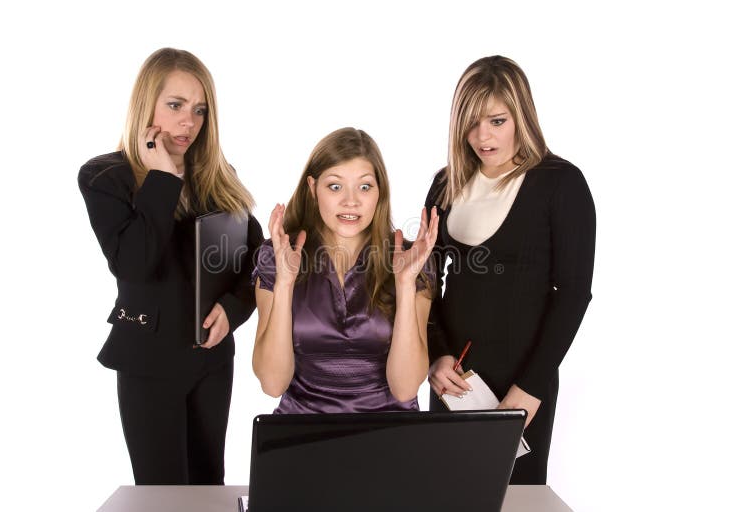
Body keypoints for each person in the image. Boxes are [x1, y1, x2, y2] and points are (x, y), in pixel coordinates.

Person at [78, 48, 263, 485]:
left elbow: (258, 257)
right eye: (176, 106)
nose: (188, 123)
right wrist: (162, 178)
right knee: (162, 494)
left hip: (211, 358)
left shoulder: (216, 174)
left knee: (208, 486)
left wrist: (234, 309)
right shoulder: (105, 177)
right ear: (147, 104)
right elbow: (134, 264)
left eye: (199, 110)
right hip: (148, 360)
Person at [425, 56, 595, 484]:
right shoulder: (445, 184)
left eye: (497, 121)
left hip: (522, 385)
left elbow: (573, 294)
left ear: (522, 116)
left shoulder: (561, 183)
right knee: (443, 493)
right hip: (454, 381)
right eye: (471, 123)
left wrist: (532, 386)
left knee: (515, 498)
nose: (482, 137)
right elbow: (424, 282)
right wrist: (435, 355)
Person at [252, 127, 439, 413]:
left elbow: (405, 388)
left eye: (364, 187)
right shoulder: (278, 254)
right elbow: (272, 384)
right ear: (313, 188)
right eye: (335, 186)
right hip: (301, 431)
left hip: (391, 432)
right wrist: (285, 283)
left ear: (380, 191)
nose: (351, 201)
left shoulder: (412, 259)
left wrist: (404, 284)